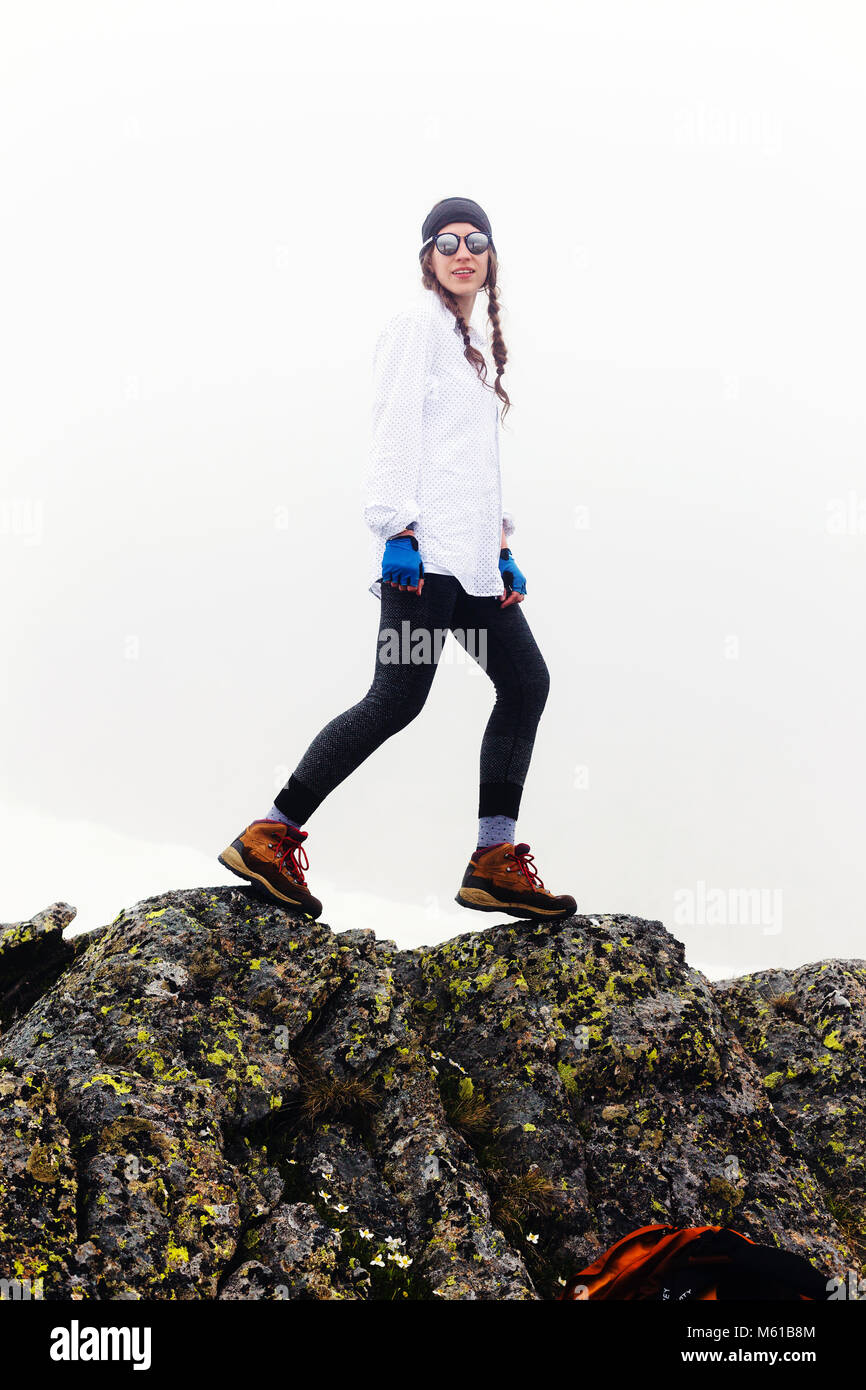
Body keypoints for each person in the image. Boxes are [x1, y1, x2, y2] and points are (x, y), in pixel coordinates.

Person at [218, 196, 576, 925]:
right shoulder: (414, 329)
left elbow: (471, 464)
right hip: (423, 564)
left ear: (491, 257)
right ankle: (270, 833)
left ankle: (493, 859)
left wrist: (502, 548)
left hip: (471, 571)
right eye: (447, 242)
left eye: (476, 240)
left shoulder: (471, 348)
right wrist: (396, 530)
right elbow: (394, 435)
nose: (463, 250)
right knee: (396, 699)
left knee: (525, 680)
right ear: (427, 259)